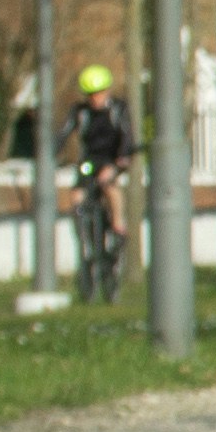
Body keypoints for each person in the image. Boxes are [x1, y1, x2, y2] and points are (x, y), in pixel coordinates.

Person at [68, 66, 134, 302]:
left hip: (111, 161)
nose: (94, 98)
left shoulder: (118, 109)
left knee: (109, 186)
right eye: (90, 94)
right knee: (77, 193)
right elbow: (65, 132)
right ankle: (81, 224)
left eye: (98, 93)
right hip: (89, 162)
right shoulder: (81, 112)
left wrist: (120, 161)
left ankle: (118, 223)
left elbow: (127, 136)